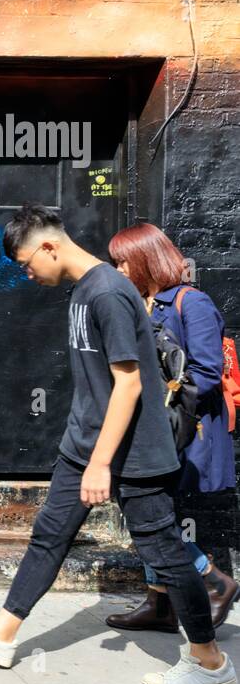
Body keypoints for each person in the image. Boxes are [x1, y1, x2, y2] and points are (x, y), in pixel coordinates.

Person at [0, 204, 235, 684]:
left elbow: (128, 383)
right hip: (86, 445)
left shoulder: (109, 293)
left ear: (50, 246)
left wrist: (101, 462)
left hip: (133, 452)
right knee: (49, 535)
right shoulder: (83, 292)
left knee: (164, 553)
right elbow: (96, 385)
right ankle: (1, 637)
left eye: (27, 262)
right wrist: (83, 447)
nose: (27, 273)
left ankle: (209, 660)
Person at [103, 223, 238, 631]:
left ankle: (213, 580)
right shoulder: (143, 303)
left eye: (123, 261)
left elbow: (207, 371)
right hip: (148, 427)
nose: (119, 269)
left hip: (180, 427)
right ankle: (160, 605)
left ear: (146, 259)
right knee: (149, 509)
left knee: (152, 513)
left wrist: (163, 408)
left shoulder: (190, 303)